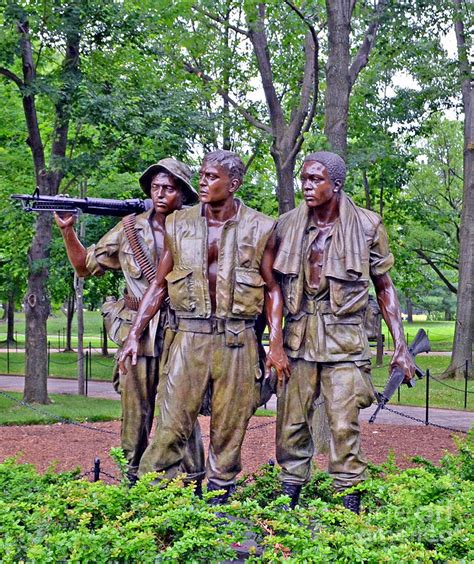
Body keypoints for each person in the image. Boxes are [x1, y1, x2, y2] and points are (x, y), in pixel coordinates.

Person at [119, 149, 290, 503]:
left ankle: (218, 504)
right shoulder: (178, 223)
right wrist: (135, 333)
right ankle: (150, 504)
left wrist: (275, 345)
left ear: (234, 184)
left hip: (237, 339)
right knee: (170, 425)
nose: (202, 181)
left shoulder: (261, 226)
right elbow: (159, 284)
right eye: (202, 174)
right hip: (188, 337)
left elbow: (273, 289)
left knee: (229, 430)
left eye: (212, 176)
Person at [273, 151, 416, 513]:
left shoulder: (368, 226)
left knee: (342, 425)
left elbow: (384, 287)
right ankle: (287, 501)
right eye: (303, 179)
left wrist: (401, 345)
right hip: (298, 338)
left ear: (336, 185)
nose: (306, 186)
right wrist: (271, 343)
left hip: (345, 341)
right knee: (290, 424)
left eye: (315, 180)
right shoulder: (286, 225)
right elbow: (270, 289)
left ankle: (348, 506)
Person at [54, 158, 205, 487]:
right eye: (155, 187)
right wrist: (68, 231)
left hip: (182, 331)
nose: (160, 193)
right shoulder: (128, 229)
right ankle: (130, 483)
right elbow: (83, 266)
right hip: (137, 332)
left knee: (182, 410)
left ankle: (193, 483)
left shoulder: (196, 229)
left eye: (169, 187)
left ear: (183, 194)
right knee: (135, 413)